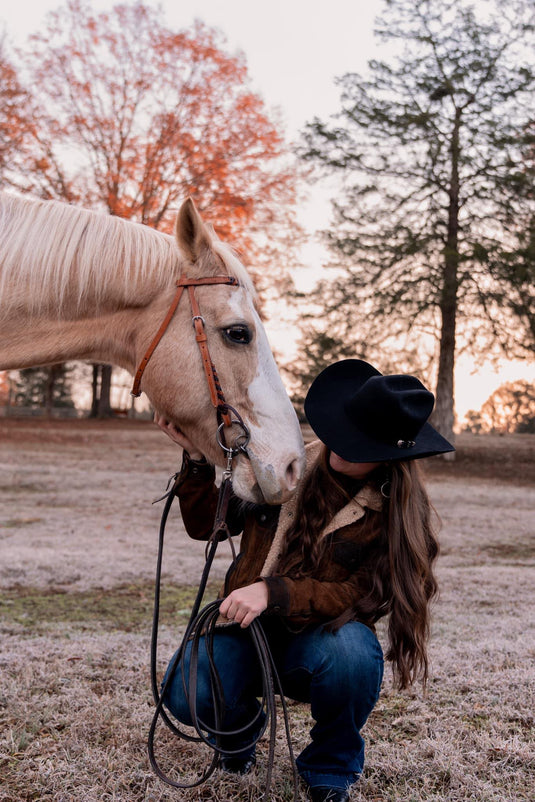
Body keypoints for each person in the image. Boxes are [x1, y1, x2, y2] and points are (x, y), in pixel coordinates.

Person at [155, 359, 454, 802]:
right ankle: (239, 733)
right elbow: (207, 527)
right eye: (346, 430)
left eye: (361, 443)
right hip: (244, 631)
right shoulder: (281, 465)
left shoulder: (397, 516)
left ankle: (330, 766)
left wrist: (274, 592)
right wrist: (196, 460)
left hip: (321, 642)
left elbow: (363, 594)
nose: (343, 446)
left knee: (353, 655)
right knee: (185, 692)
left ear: (390, 455)